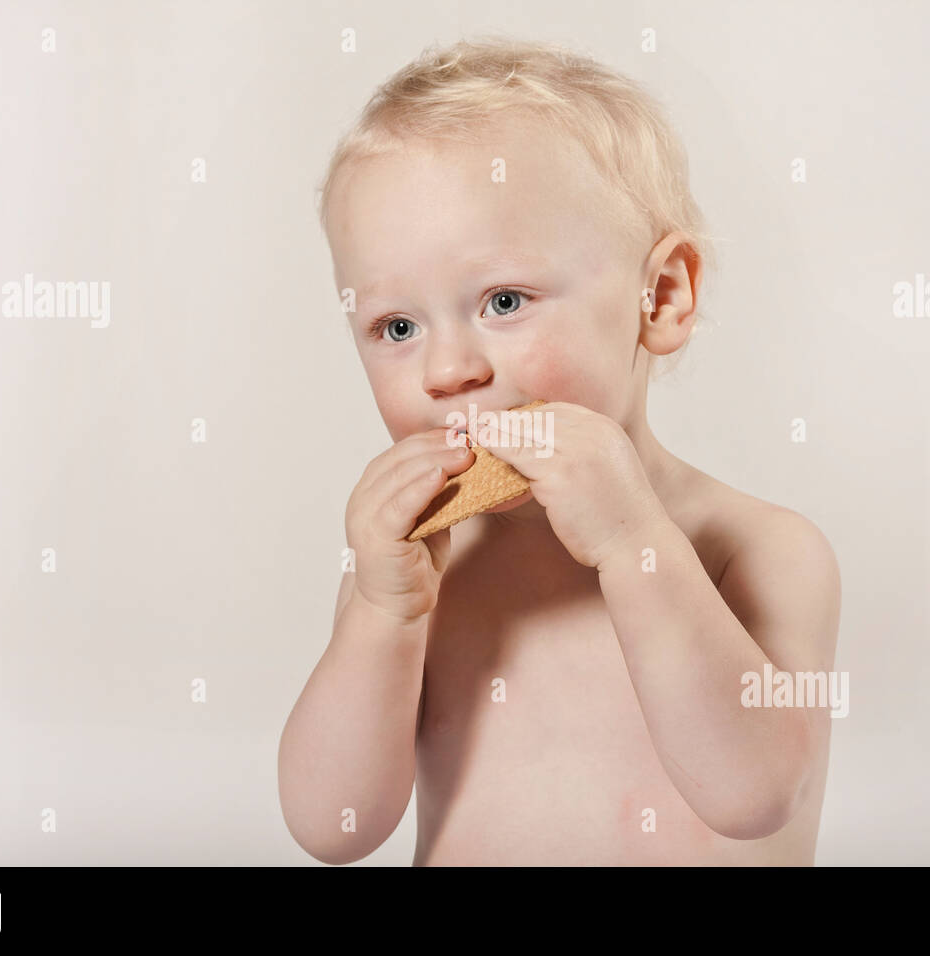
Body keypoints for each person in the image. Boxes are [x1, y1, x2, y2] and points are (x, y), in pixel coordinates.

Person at [278, 35, 841, 865]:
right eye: (397, 326)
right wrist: (380, 611)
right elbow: (334, 829)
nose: (448, 370)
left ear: (662, 296)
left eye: (504, 300)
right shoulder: (416, 570)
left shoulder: (762, 550)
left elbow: (755, 797)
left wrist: (632, 545)